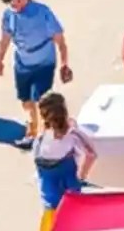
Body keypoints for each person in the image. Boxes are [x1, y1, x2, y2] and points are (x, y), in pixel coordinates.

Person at [0, 0, 71, 150]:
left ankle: (38, 135)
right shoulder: (9, 15)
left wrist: (64, 63)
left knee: (41, 100)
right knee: (25, 100)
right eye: (10, 4)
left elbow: (59, 39)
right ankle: (35, 128)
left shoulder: (43, 12)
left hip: (44, 61)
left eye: (14, 2)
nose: (13, 7)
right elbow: (5, 39)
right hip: (22, 63)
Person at [33, 93, 97, 231]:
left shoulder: (41, 135)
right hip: (68, 181)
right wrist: (82, 175)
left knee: (51, 220)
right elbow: (91, 154)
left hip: (47, 185)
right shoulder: (73, 134)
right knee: (72, 218)